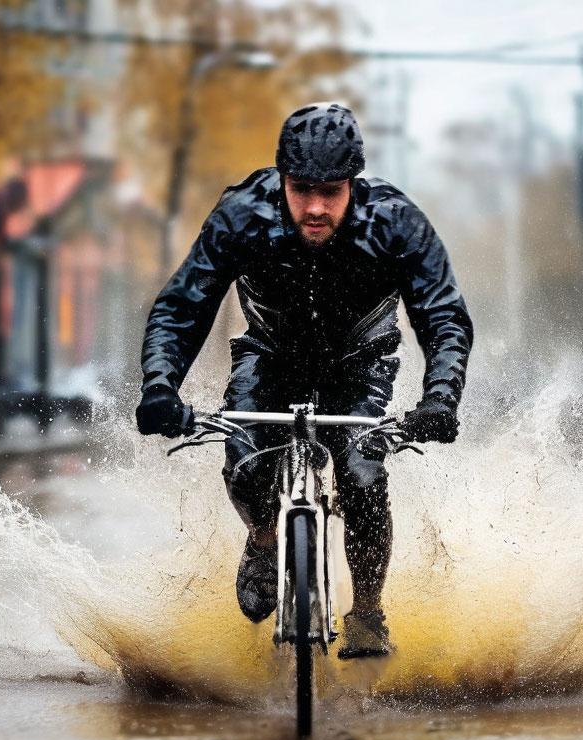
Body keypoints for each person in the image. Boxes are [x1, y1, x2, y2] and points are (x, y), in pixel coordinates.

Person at [135, 103, 473, 658]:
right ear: (281, 181)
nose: (316, 207)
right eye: (301, 190)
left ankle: (367, 611)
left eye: (332, 192)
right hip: (270, 354)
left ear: (353, 185)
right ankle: (264, 538)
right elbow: (181, 307)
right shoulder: (241, 215)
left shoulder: (395, 222)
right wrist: (159, 387)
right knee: (244, 463)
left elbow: (443, 316)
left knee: (363, 476)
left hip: (361, 362)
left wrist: (439, 398)